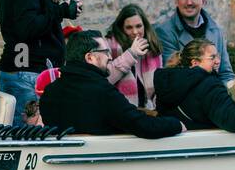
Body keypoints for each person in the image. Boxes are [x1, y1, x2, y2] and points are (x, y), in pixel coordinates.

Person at [39, 31, 183, 138]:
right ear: (90, 57)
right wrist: (177, 124)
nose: (109, 57)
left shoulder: (49, 93)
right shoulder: (101, 92)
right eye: (106, 52)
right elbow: (144, 126)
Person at [154, 38, 235, 132]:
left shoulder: (168, 83)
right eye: (212, 57)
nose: (218, 61)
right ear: (195, 63)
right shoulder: (208, 86)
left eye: (217, 56)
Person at [154, 0, 235, 83]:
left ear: (203, 1)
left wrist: (225, 95)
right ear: (176, 1)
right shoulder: (165, 32)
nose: (189, 2)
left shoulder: (216, 31)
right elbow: (173, 77)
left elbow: (226, 74)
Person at [104, 4, 163, 109]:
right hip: (121, 110)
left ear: (145, 26)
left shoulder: (152, 47)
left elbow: (160, 85)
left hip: (149, 110)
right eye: (129, 28)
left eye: (139, 26)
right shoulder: (109, 46)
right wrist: (131, 54)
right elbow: (106, 79)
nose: (135, 32)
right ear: (121, 28)